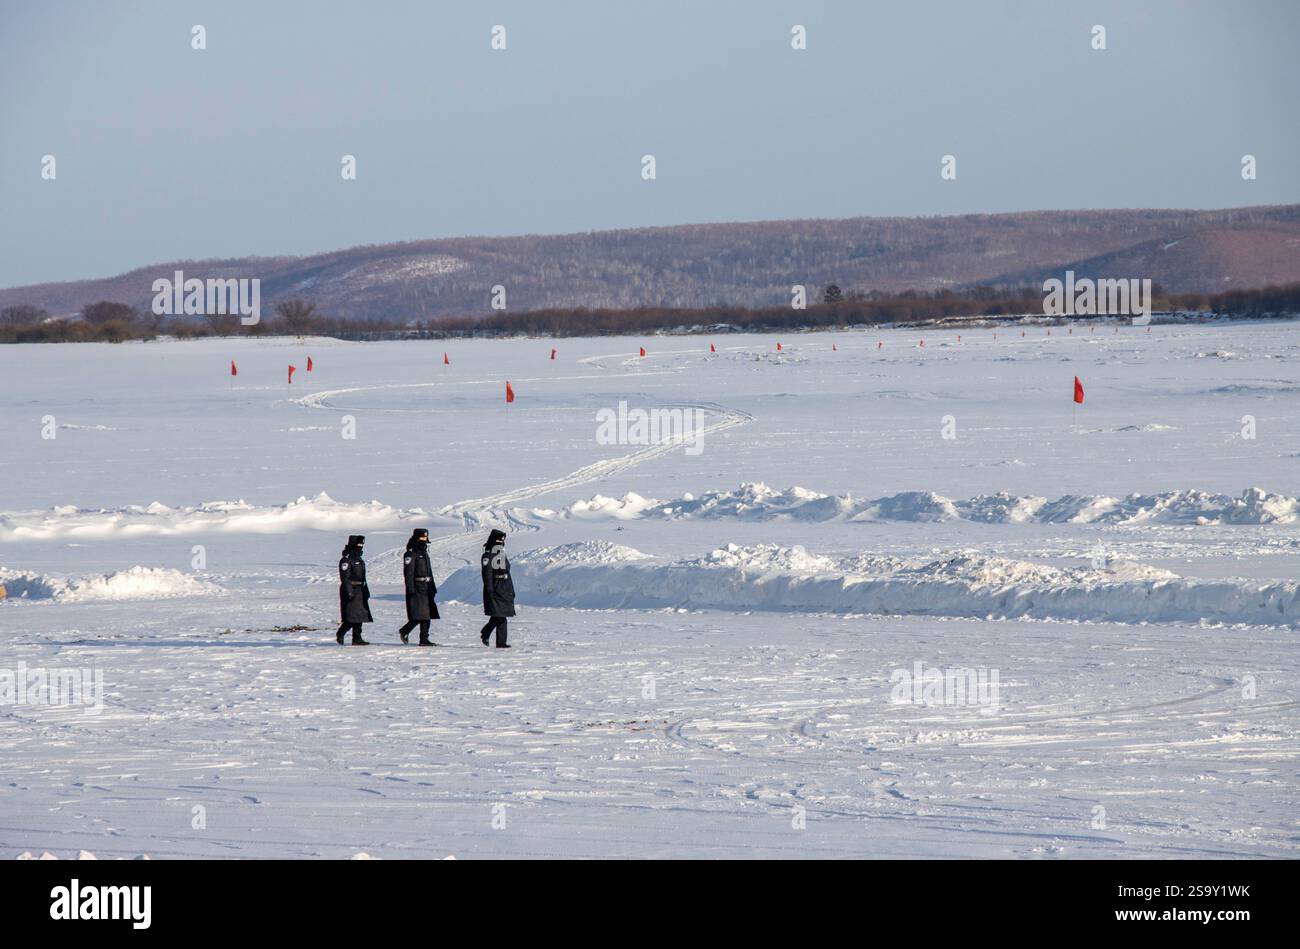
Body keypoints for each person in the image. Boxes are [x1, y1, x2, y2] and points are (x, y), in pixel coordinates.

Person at [398, 528, 440, 646]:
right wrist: (410, 589)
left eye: (425, 538)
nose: (424, 540)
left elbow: (429, 572)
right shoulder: (411, 554)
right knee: (419, 615)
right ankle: (405, 630)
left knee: (427, 614)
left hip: (426, 587)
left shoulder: (424, 553)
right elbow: (409, 573)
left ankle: (424, 639)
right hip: (417, 587)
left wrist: (432, 587)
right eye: (422, 537)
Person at [479, 528, 515, 648]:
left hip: (504, 589)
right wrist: (490, 590)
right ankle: (490, 636)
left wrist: (511, 590)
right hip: (494, 589)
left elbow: (508, 574)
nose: (500, 544)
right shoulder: (487, 556)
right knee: (500, 616)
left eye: (502, 542)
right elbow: (487, 574)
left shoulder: (502, 555)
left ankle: (498, 640)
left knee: (501, 615)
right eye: (498, 541)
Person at [336, 534, 372, 645]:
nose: (361, 546)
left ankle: (357, 637)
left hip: (360, 589)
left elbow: (363, 576)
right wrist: (349, 591)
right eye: (359, 544)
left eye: (362, 544)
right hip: (351, 589)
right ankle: (341, 632)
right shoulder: (346, 560)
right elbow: (345, 577)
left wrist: (366, 590)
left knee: (360, 615)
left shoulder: (359, 559)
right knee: (351, 616)